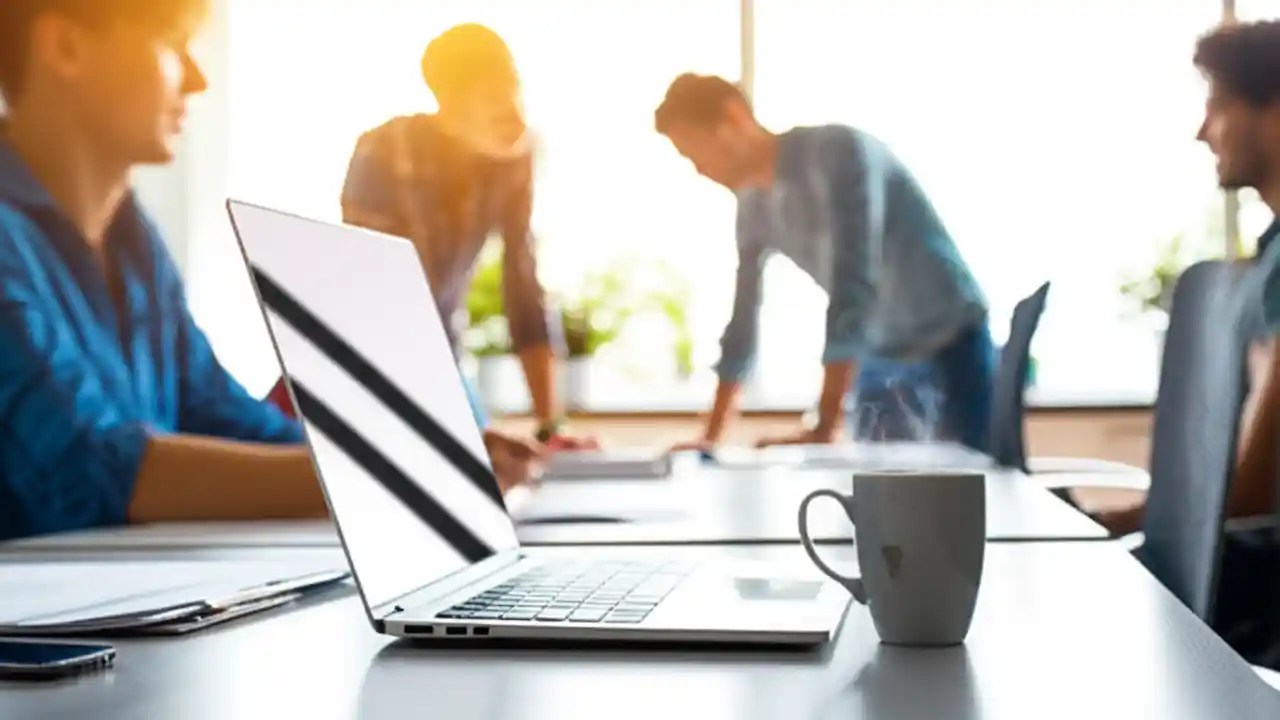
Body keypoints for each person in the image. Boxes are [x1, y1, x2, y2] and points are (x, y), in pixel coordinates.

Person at [0, 1, 535, 542]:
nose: (198, 79)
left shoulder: (132, 239)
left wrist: (414, 453)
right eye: (174, 46)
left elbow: (219, 413)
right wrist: (404, 474)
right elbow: (88, 466)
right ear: (66, 48)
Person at [653, 74, 993, 453]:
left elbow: (854, 284)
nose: (699, 169)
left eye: (695, 152)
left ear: (734, 118)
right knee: (878, 484)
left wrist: (824, 425)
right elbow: (742, 326)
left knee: (979, 476)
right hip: (881, 357)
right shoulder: (754, 208)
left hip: (953, 341)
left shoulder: (839, 153)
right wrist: (710, 438)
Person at [339, 23, 593, 451]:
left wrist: (549, 426)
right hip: (371, 364)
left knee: (501, 462)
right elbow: (365, 288)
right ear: (449, 104)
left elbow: (523, 286)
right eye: (494, 102)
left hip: (444, 360)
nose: (516, 117)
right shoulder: (384, 149)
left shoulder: (514, 158)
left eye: (514, 91)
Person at [1095, 20, 1280, 537]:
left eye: (1218, 106)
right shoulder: (1268, 259)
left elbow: (1250, 494)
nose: (1203, 132)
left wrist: (1108, 526)